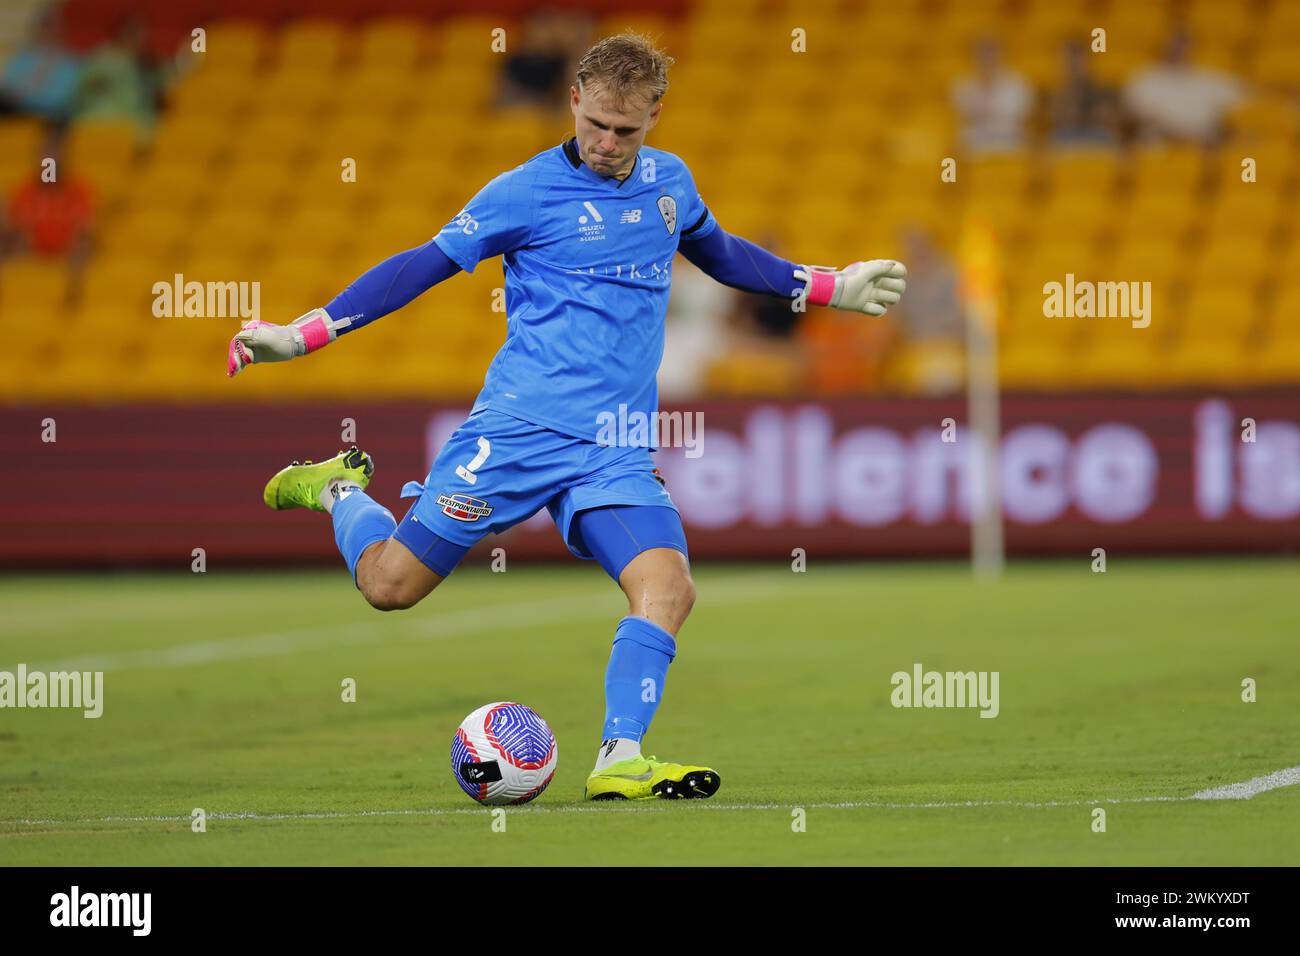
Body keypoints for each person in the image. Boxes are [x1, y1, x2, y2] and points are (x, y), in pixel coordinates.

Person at [225, 33, 907, 802]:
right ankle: (338, 490)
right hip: (517, 431)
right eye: (598, 125)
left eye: (628, 131)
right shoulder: (522, 192)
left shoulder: (670, 183)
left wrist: (827, 287)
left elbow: (721, 253)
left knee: (668, 587)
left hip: (613, 448)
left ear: (656, 115)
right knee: (390, 586)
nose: (609, 144)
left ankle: (620, 756)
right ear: (575, 97)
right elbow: (420, 266)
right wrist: (304, 333)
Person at [1122, 31, 1245, 146]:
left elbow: (1247, 96)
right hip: (1158, 145)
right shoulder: (1145, 77)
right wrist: (1177, 133)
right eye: (1173, 46)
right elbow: (1135, 114)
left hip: (1204, 146)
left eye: (1183, 46)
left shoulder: (1210, 79)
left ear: (1192, 48)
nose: (1178, 51)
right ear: (1164, 47)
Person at [951, 37, 1033, 152]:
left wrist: (986, 113)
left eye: (991, 54)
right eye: (982, 55)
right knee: (960, 144)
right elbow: (965, 114)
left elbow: (1020, 115)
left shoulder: (1017, 83)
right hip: (975, 138)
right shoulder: (962, 84)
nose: (987, 59)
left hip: (1009, 136)